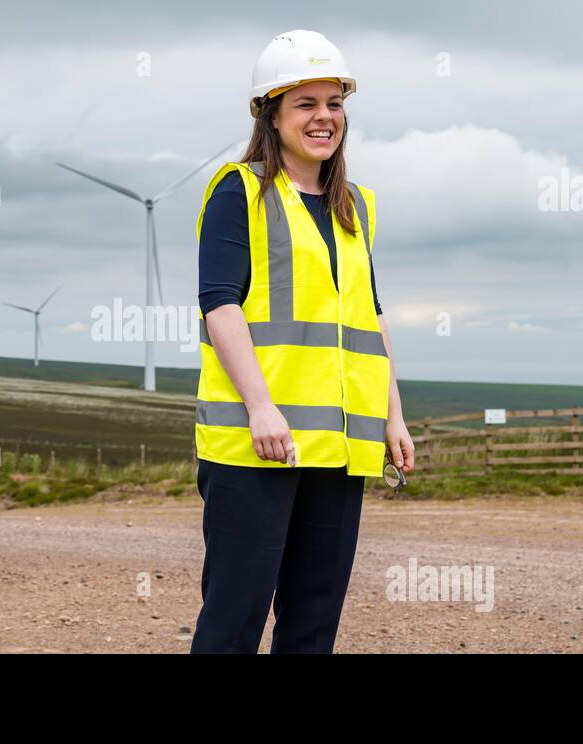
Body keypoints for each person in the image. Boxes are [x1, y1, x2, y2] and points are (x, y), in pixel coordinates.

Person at [190, 29, 415, 654]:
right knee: (234, 619)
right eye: (306, 104)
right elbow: (220, 305)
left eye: (334, 104)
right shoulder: (240, 192)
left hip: (341, 447)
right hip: (256, 445)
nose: (324, 119)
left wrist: (393, 416)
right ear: (272, 115)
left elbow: (370, 318)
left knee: (314, 625)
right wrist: (262, 406)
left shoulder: (357, 206)